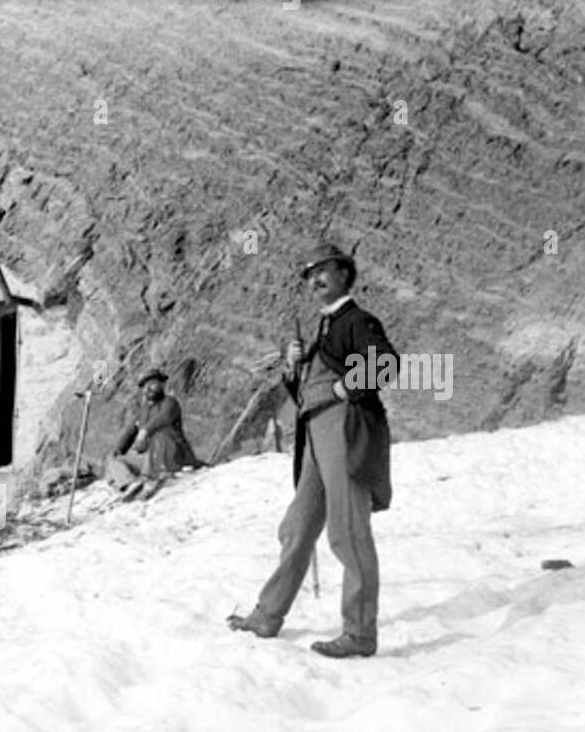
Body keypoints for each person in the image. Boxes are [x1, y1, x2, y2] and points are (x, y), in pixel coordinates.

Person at [227, 242, 394, 658]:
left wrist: (343, 387)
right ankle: (268, 614)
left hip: (343, 427)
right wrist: (292, 368)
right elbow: (303, 392)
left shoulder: (357, 321)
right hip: (316, 433)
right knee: (297, 527)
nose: (315, 279)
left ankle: (359, 633)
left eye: (324, 271)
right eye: (309, 274)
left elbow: (386, 364)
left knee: (347, 532)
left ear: (344, 275)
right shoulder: (323, 328)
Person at [106, 367, 205, 499]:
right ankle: (130, 483)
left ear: (161, 385)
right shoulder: (142, 411)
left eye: (153, 384)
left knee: (159, 436)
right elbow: (130, 432)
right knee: (112, 458)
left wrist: (146, 430)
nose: (149, 389)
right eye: (145, 386)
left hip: (173, 456)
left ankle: (149, 480)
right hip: (149, 460)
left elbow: (163, 418)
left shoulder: (170, 403)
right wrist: (118, 448)